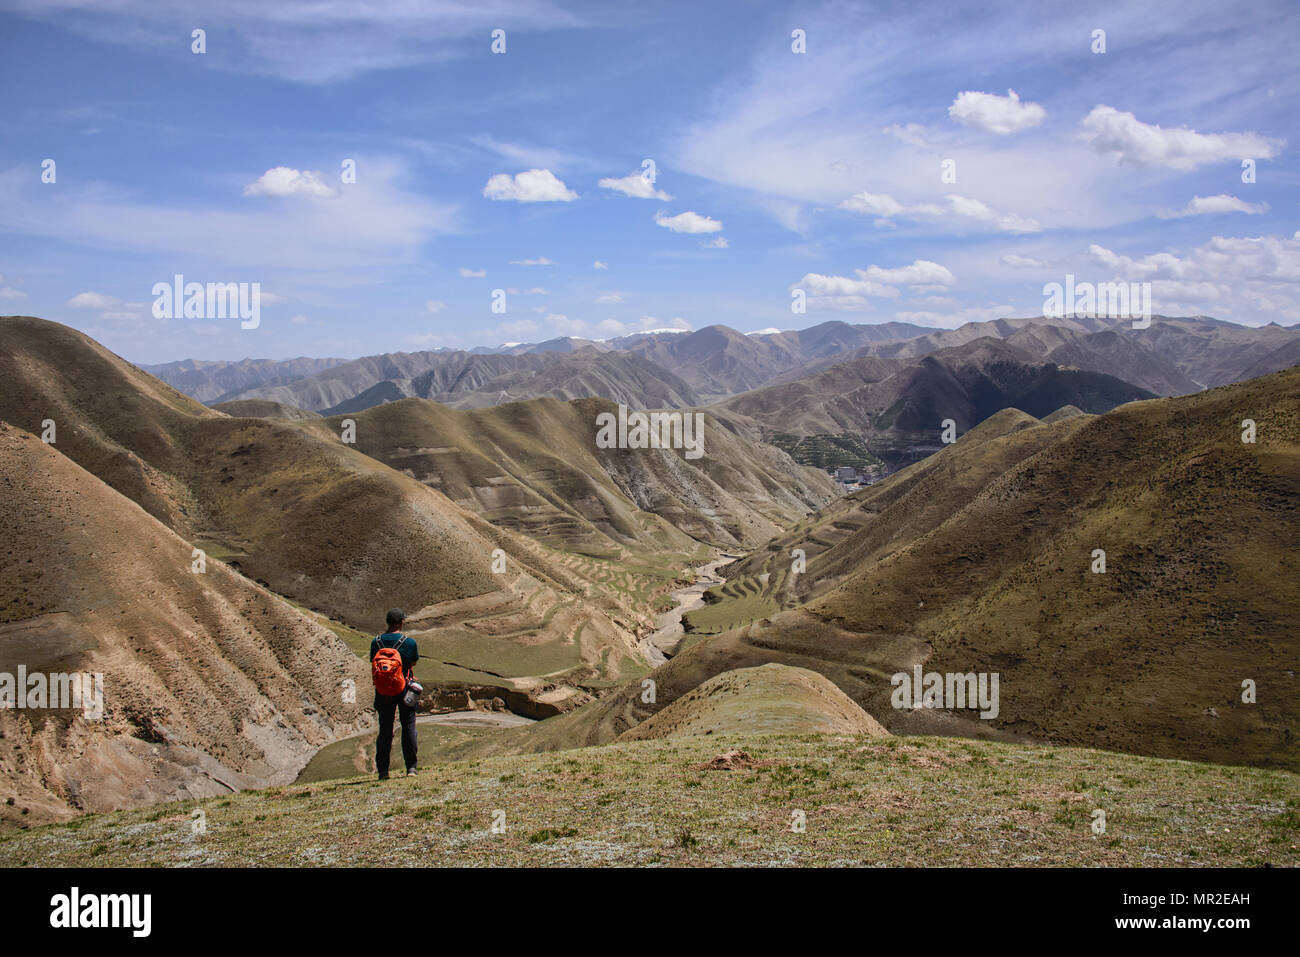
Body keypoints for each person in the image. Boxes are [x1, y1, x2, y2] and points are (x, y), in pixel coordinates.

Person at [370, 608, 419, 780]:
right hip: (405, 688)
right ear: (401, 623)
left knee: (385, 730)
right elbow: (413, 661)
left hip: (383, 691)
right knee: (408, 726)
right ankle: (411, 768)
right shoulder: (409, 643)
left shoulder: (376, 642)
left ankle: (383, 771)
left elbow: (374, 663)